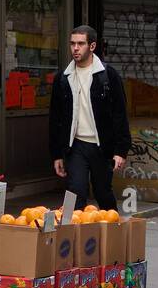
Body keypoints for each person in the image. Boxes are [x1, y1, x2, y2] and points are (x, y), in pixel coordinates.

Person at [48, 25, 131, 211]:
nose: (75, 48)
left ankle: (112, 232)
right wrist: (56, 155)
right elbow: (56, 118)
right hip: (75, 146)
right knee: (75, 191)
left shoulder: (108, 76)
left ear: (92, 46)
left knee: (103, 193)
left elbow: (120, 114)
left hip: (102, 147)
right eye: (72, 44)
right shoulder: (63, 78)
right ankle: (71, 236)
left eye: (80, 44)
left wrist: (121, 150)